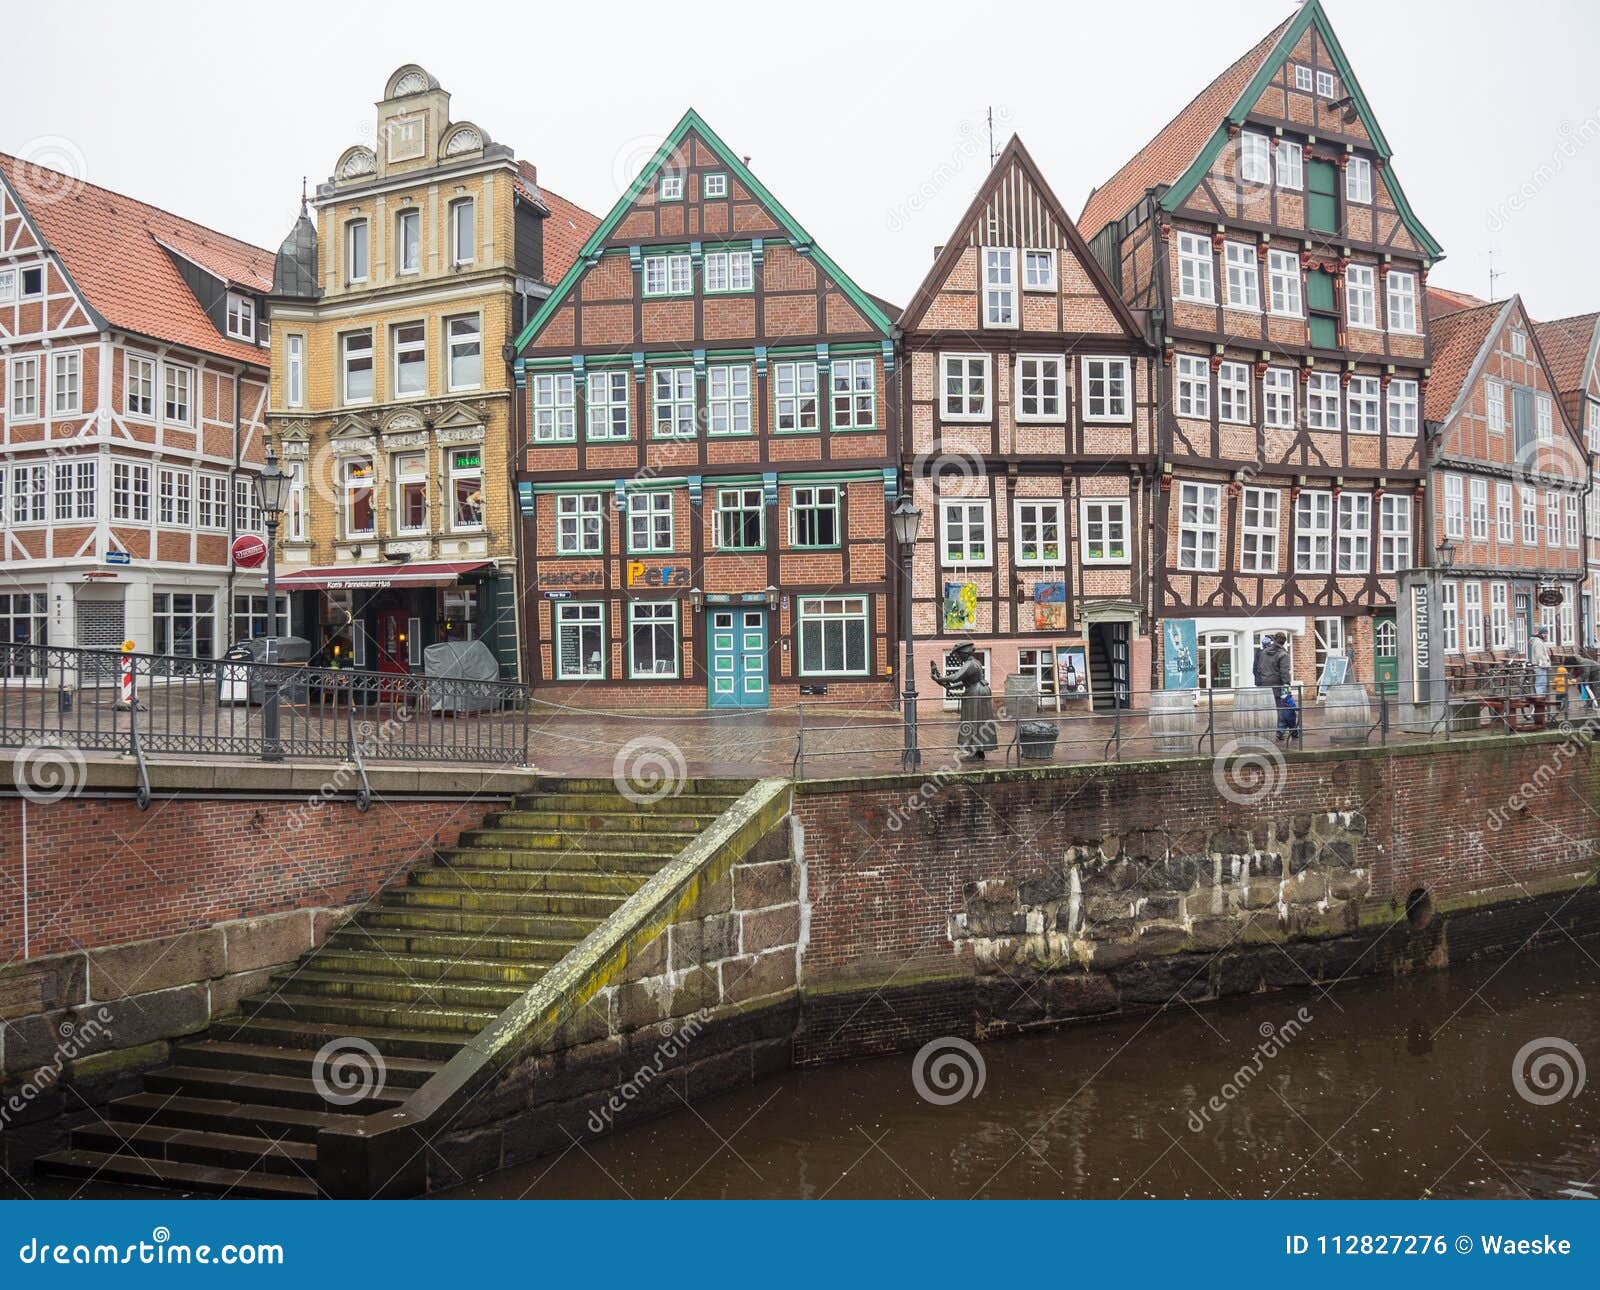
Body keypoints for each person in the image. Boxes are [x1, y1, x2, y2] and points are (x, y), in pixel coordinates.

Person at [929, 642, 997, 763]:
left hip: (976, 693)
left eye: (958, 655)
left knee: (972, 721)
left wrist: (939, 679)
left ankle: (975, 752)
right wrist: (950, 687)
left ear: (963, 654)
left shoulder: (969, 664)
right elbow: (966, 681)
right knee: (979, 721)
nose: (957, 658)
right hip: (979, 690)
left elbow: (956, 677)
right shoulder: (975, 662)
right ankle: (979, 751)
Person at [1255, 632, 1297, 742]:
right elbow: (1284, 673)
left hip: (1265, 685)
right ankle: (1281, 732)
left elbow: (1259, 668)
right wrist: (1286, 686)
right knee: (1284, 709)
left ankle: (1272, 731)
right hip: (1278, 686)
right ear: (1284, 641)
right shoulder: (1283, 655)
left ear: (1275, 640)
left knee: (1269, 710)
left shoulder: (1263, 652)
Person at [1529, 627, 1553, 699]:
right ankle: (1540, 700)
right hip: (1540, 666)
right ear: (1541, 634)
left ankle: (1542, 700)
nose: (1546, 635)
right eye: (1545, 633)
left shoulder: (1539, 642)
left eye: (1546, 633)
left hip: (1541, 666)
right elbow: (1540, 656)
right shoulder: (1538, 643)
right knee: (1540, 684)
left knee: (1542, 684)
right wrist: (1546, 664)